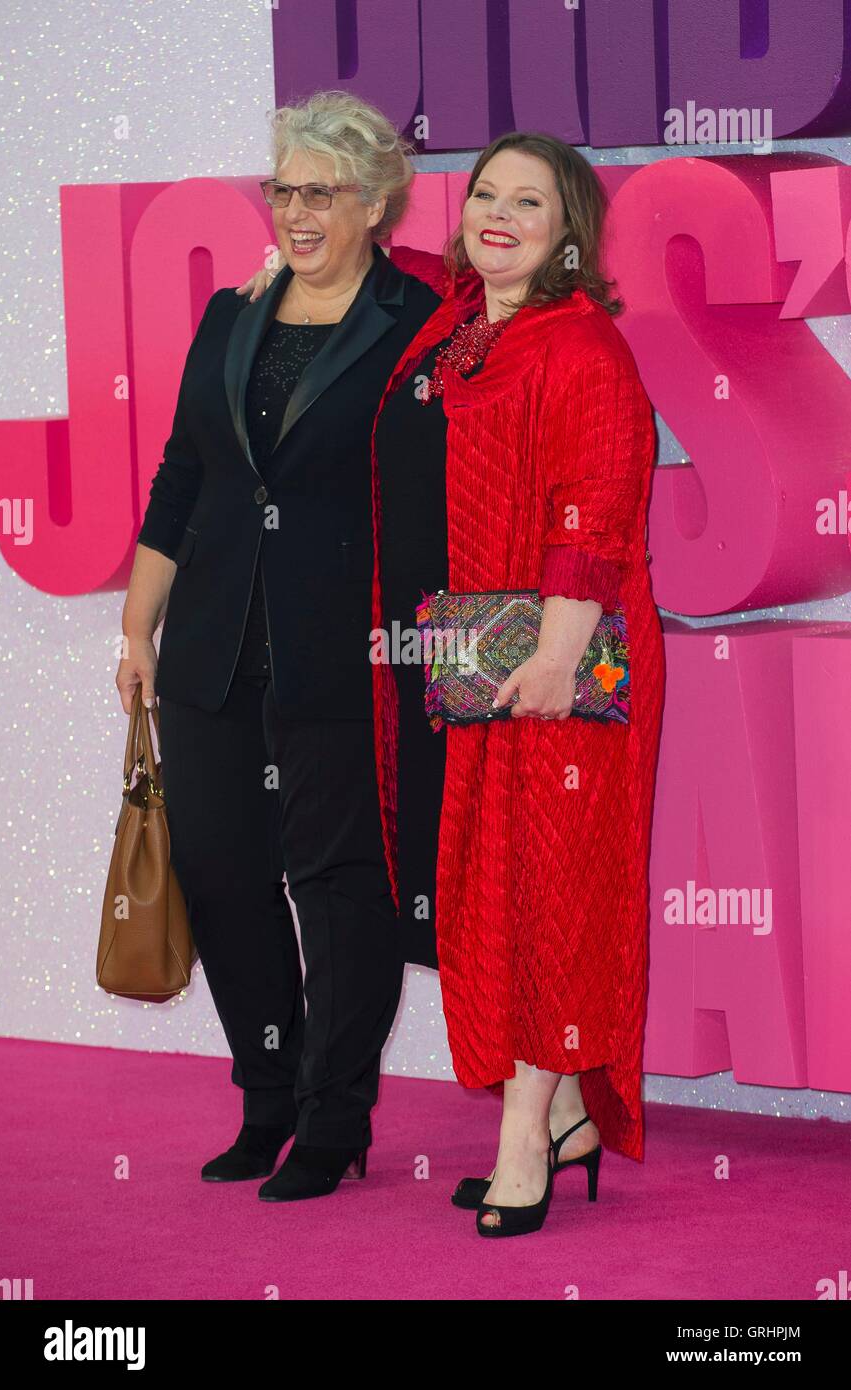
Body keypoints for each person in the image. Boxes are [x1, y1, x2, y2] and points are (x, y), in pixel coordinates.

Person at [119, 90, 448, 1203]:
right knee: (219, 874)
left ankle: (332, 1116)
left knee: (337, 882)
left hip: (343, 654)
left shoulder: (419, 321)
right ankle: (264, 1094)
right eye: (284, 189)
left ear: (376, 206)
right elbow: (184, 474)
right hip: (212, 645)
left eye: (322, 192)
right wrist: (135, 626)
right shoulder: (231, 314)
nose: (295, 212)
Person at [369, 133, 665, 1237]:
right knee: (491, 886)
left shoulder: (579, 344)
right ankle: (567, 1119)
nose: (498, 214)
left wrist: (554, 651)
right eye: (484, 193)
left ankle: (522, 1144)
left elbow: (599, 495)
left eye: (527, 201)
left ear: (569, 231)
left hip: (553, 637)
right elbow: (379, 262)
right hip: (474, 633)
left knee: (550, 893)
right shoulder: (461, 324)